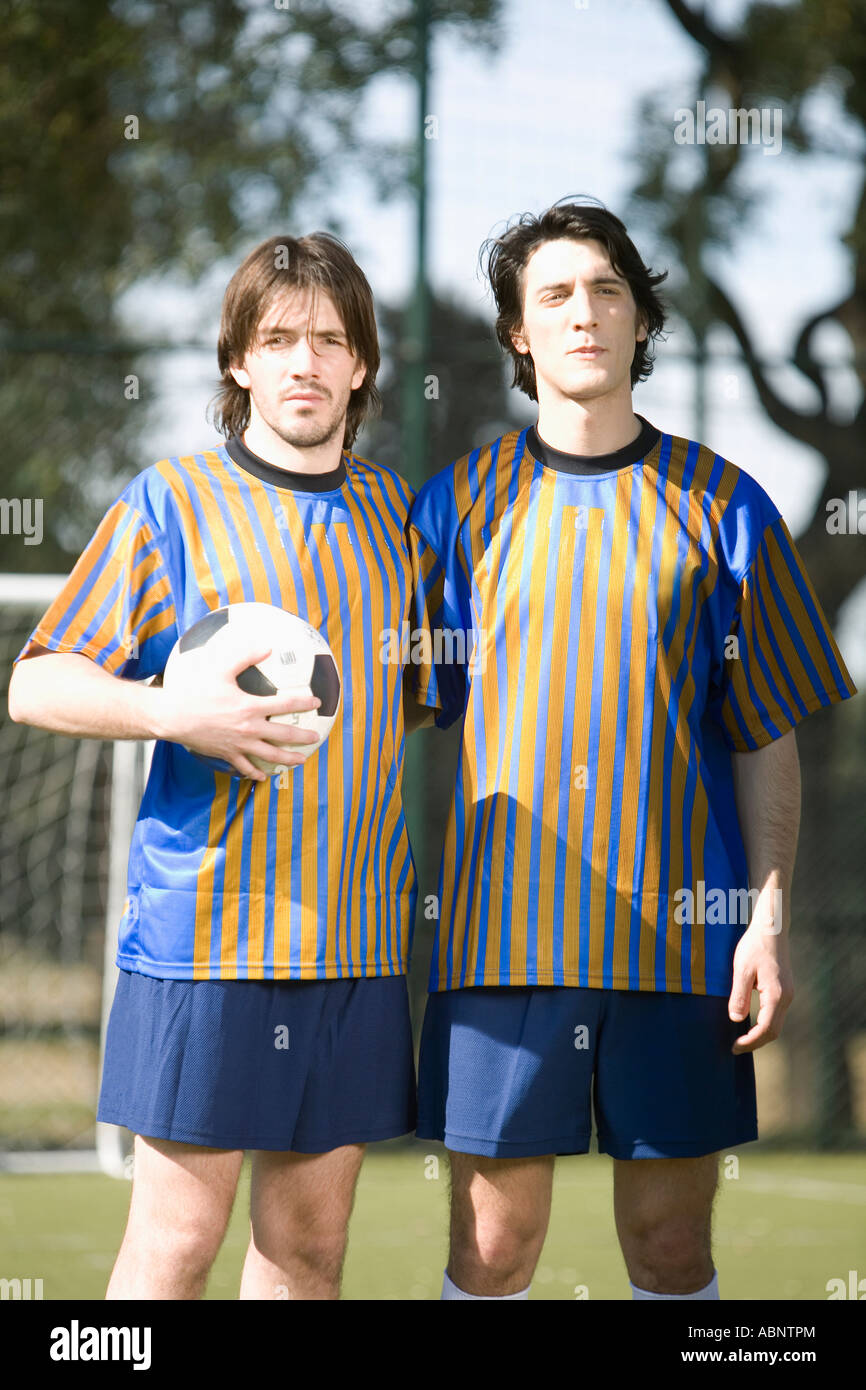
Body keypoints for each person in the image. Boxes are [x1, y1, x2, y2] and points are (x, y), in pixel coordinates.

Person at [405, 199, 857, 1301]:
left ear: (638, 318)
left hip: (680, 950)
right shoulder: (451, 509)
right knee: (490, 1250)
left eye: (606, 289)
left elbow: (764, 736)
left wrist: (764, 919)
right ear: (517, 330)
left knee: (669, 1254)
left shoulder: (726, 505)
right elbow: (387, 717)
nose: (582, 313)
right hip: (497, 947)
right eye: (552, 294)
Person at [8, 231, 425, 1300]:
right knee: (174, 1249)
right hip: (204, 943)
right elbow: (35, 680)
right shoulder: (169, 502)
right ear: (239, 361)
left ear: (362, 364)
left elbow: (418, 706)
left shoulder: (400, 523)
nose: (305, 361)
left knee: (307, 1254)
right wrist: (169, 711)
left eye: (329, 339)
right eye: (278, 338)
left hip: (357, 951)